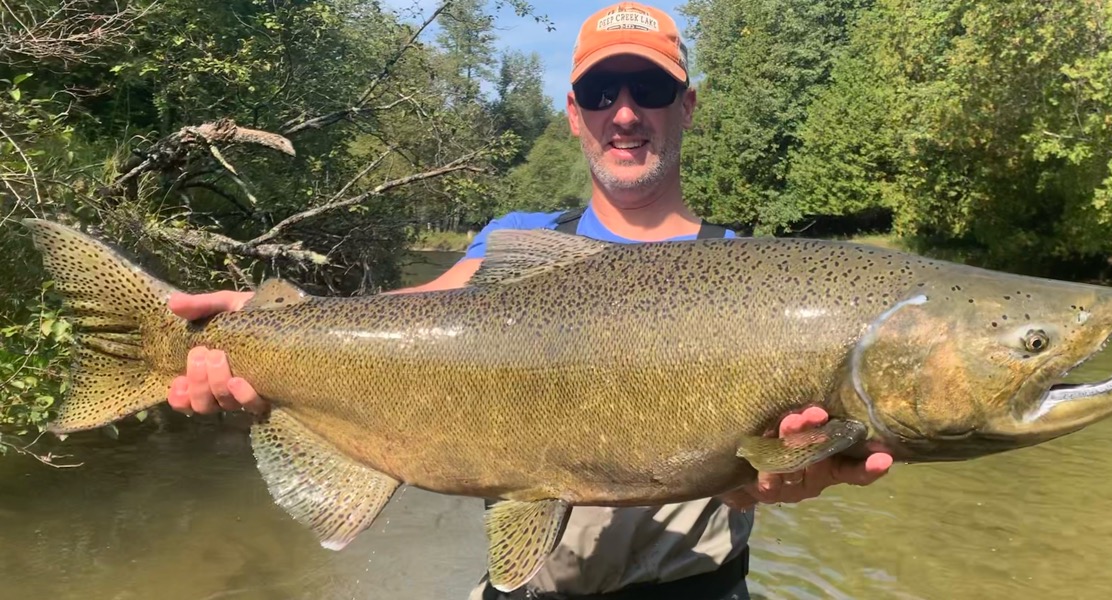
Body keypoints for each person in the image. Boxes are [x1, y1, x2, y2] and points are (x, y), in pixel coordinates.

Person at [165, 3, 894, 598]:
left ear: (688, 106)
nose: (627, 113)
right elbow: (409, 317)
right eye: (604, 93)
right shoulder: (512, 242)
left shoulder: (753, 273)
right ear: (575, 112)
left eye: (651, 89)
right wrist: (260, 333)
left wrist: (776, 481)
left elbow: (753, 478)